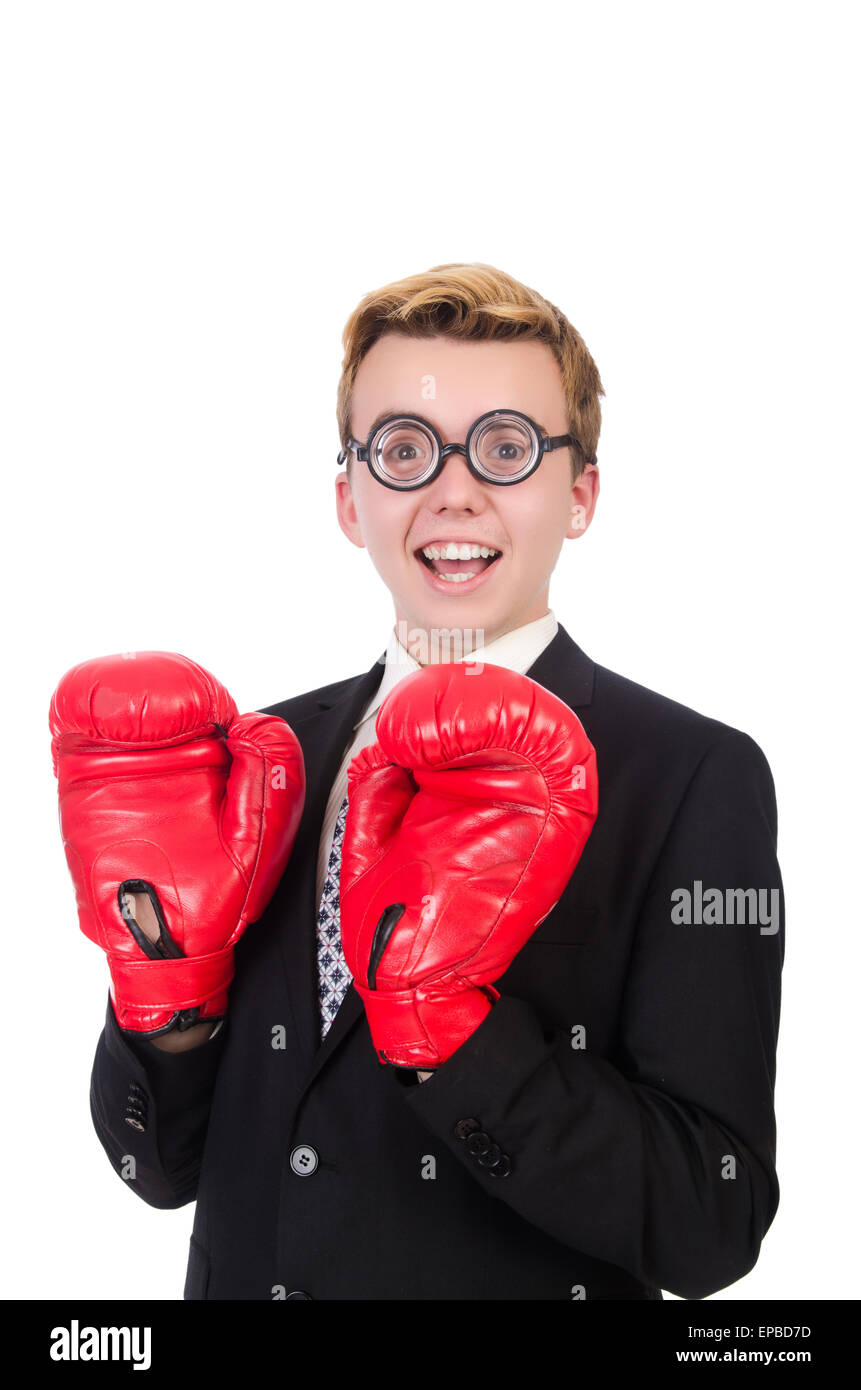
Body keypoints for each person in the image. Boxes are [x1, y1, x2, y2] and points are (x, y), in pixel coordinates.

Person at [53, 262, 783, 1300]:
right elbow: (161, 1170)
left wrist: (456, 1035)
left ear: (580, 494)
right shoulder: (261, 756)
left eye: (505, 447)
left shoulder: (690, 774)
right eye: (404, 449)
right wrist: (166, 995)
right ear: (348, 499)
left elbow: (713, 1222)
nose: (453, 490)